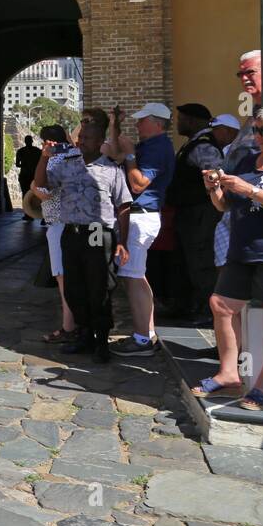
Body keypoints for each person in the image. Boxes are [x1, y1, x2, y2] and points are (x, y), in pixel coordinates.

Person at [198, 102, 263, 411]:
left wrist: (251, 190)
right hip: (242, 249)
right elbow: (225, 205)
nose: (257, 137)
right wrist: (214, 189)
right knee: (221, 305)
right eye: (255, 130)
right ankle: (229, 374)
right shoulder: (248, 162)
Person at [35, 120, 132, 362]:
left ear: (100, 142)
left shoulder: (111, 169)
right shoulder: (67, 164)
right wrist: (45, 157)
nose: (80, 142)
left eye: (86, 138)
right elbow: (42, 185)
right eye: (79, 138)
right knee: (74, 290)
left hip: (99, 233)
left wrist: (123, 241)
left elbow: (123, 207)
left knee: (99, 289)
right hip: (72, 232)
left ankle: (101, 341)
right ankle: (84, 336)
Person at [107, 103, 175, 357]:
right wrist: (116, 126)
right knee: (135, 276)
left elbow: (138, 185)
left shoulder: (158, 148)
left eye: (141, 120)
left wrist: (130, 155)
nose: (137, 125)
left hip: (140, 216)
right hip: (138, 216)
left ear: (157, 123)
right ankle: (147, 333)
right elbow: (116, 153)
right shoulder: (151, 145)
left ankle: (142, 339)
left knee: (133, 277)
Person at [166, 103, 224, 325]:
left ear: (193, 120)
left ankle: (207, 311)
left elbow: (214, 172)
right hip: (188, 211)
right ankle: (187, 305)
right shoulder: (192, 143)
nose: (179, 123)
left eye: (181, 119)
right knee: (186, 260)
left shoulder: (203, 146)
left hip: (200, 212)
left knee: (201, 260)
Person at [214, 52, 263, 269]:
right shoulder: (254, 113)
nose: (244, 78)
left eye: (250, 72)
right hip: (239, 209)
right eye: (240, 73)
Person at [31, 125, 77, 343]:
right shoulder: (76, 154)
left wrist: (33, 186)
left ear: (48, 142)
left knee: (62, 278)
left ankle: (69, 327)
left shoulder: (55, 160)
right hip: (77, 222)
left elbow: (44, 191)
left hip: (58, 223)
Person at [14, 136, 42, 221]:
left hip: (26, 176)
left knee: (26, 194)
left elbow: (17, 164)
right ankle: (37, 214)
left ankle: (28, 214)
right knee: (38, 195)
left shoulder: (21, 151)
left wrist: (25, 164)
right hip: (33, 176)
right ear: (32, 141)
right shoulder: (37, 151)